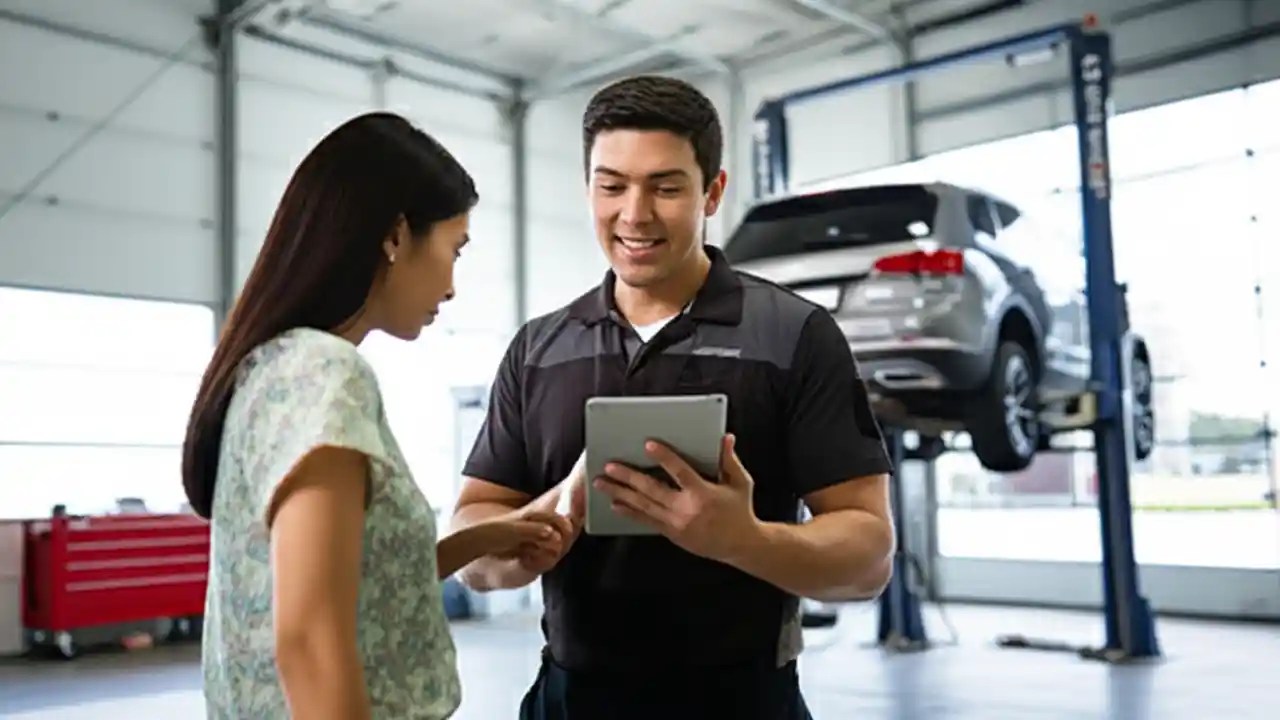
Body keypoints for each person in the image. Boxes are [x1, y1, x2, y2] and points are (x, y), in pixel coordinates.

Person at [451, 75, 897, 719]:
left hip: (741, 702)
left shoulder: (795, 335)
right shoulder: (539, 349)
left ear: (712, 191)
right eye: (612, 186)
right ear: (588, 189)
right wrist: (539, 527)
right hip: (569, 700)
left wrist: (741, 539)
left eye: (665, 187)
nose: (634, 215)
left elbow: (868, 555)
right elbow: (472, 549)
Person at [181, 112, 571, 720]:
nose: (451, 286)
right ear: (395, 236)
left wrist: (482, 539)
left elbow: (348, 579)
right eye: (454, 250)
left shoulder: (269, 368)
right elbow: (309, 642)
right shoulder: (327, 376)